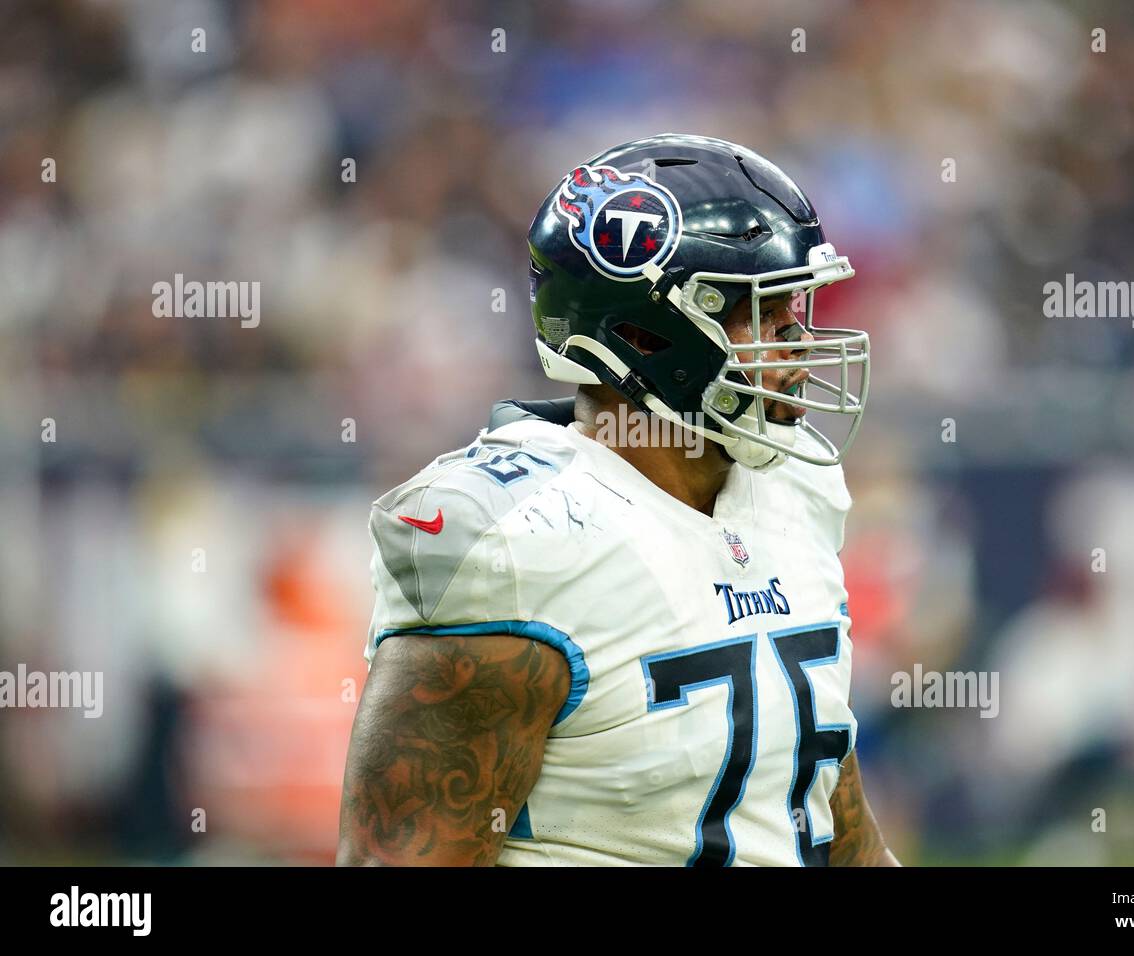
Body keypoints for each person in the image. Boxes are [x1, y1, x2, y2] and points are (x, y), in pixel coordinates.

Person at [337, 133, 897, 866]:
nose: (796, 338)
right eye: (760, 312)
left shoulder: (793, 486)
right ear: (644, 335)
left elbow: (808, 794)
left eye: (796, 302)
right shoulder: (519, 544)